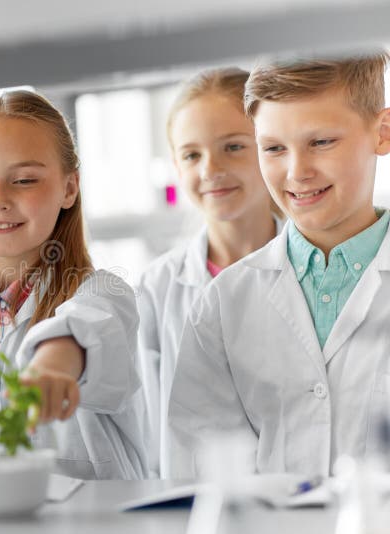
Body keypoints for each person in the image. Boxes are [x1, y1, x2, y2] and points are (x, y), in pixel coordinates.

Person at [0, 90, 147, 480]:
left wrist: (53, 363)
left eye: (24, 180)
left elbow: (87, 329)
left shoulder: (103, 293)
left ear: (69, 188)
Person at [168, 52, 390, 477]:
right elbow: (201, 466)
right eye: (273, 148)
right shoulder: (223, 303)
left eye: (321, 142)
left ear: (381, 133)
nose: (297, 171)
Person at [137, 67, 282, 478]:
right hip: (191, 500)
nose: (210, 170)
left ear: (271, 148)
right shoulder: (156, 289)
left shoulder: (311, 269)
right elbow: (148, 426)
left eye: (233, 147)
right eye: (191, 155)